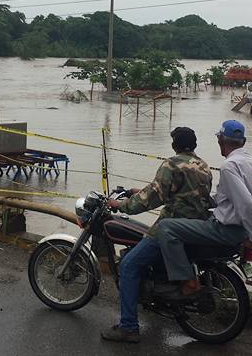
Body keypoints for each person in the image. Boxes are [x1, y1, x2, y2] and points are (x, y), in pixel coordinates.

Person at [100, 127, 214, 344]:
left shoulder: (171, 164)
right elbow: (175, 192)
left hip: (171, 227)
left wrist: (120, 205)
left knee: (128, 266)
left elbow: (150, 199)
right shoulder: (204, 167)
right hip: (197, 227)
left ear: (174, 145)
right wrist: (138, 190)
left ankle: (129, 327)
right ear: (194, 145)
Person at [155, 120, 252, 298]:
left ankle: (188, 281)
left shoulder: (228, 166)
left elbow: (247, 203)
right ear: (243, 142)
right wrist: (197, 199)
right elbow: (225, 199)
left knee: (166, 227)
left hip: (227, 230)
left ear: (221, 140)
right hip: (239, 227)